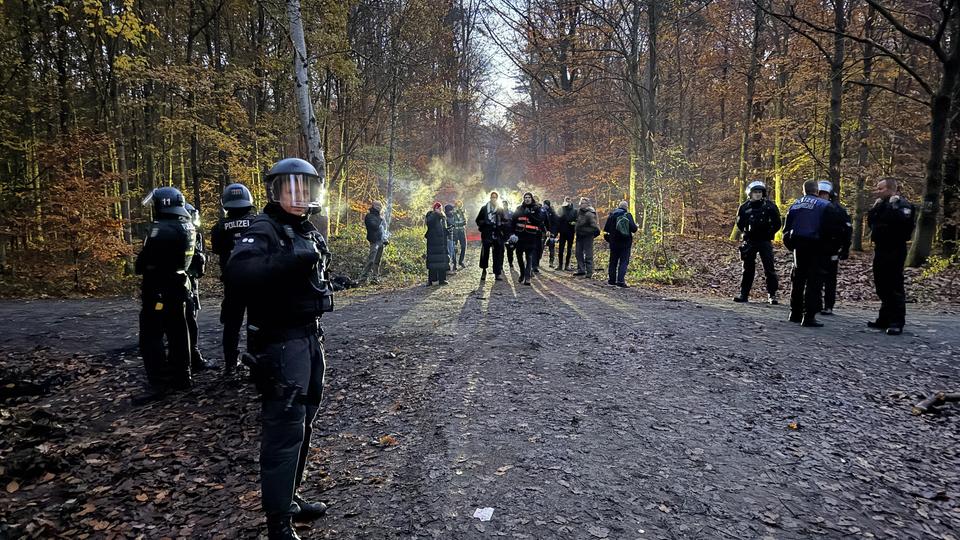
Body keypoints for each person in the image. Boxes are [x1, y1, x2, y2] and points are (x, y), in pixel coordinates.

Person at [226, 157, 333, 539]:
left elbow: (311, 275)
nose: (298, 195)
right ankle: (278, 523)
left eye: (305, 188)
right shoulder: (263, 228)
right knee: (284, 430)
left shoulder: (305, 229)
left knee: (304, 423)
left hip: (308, 339)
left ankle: (290, 497)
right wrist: (289, 261)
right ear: (276, 192)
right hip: (280, 345)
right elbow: (239, 272)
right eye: (290, 188)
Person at [134, 186, 196, 403]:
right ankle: (182, 376)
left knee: (151, 335)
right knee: (178, 330)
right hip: (179, 284)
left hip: (159, 288)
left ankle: (159, 383)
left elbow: (143, 262)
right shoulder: (186, 225)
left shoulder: (161, 229)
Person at [210, 183, 256, 381]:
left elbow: (217, 250)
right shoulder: (258, 223)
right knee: (257, 324)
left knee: (231, 325)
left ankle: (230, 364)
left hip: (232, 284)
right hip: (256, 283)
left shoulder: (219, 227)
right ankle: (256, 364)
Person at [783, 180, 836, 327]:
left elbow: (786, 230)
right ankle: (809, 316)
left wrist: (791, 246)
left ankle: (795, 313)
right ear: (817, 191)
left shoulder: (795, 205)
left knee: (798, 279)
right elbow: (830, 229)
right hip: (816, 246)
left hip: (798, 246)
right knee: (814, 281)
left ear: (804, 190)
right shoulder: (824, 205)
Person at [867, 177, 915, 335]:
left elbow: (904, 224)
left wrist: (893, 207)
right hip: (881, 248)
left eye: (881, 188)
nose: (878, 191)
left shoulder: (902, 205)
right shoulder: (881, 205)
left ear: (890, 189)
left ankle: (897, 321)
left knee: (894, 284)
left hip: (895, 248)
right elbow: (871, 222)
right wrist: (875, 208)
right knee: (881, 284)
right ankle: (884, 318)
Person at [733, 180, 782, 304]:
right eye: (755, 192)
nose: (758, 194)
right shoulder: (744, 207)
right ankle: (744, 294)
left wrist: (769, 232)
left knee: (769, 269)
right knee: (747, 269)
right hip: (750, 241)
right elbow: (739, 223)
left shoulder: (770, 206)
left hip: (765, 241)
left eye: (760, 192)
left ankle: (772, 295)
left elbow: (777, 223)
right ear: (750, 193)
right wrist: (747, 232)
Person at [184, 203, 213, 371]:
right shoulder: (189, 233)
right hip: (186, 282)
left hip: (186, 280)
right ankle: (193, 357)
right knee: (190, 318)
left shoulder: (193, 234)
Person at [817, 181, 852, 315]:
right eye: (820, 194)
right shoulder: (815, 209)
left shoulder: (839, 210)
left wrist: (845, 248)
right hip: (816, 248)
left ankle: (828, 305)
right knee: (815, 277)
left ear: (830, 195)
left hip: (832, 248)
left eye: (824, 194)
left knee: (830, 278)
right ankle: (816, 304)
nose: (822, 197)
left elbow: (847, 230)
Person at [603, 201, 638, 287]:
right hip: (625, 243)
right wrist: (636, 226)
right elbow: (634, 229)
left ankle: (611, 280)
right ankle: (620, 281)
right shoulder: (628, 215)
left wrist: (610, 239)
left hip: (614, 243)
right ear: (626, 207)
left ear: (618, 207)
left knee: (613, 261)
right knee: (624, 261)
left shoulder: (612, 215)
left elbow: (606, 229)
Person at [512, 192, 544, 285]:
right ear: (524, 199)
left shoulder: (537, 209)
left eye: (529, 197)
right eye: (525, 197)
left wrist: (529, 215)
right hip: (520, 236)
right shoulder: (519, 208)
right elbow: (513, 221)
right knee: (519, 255)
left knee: (529, 256)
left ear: (531, 198)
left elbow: (539, 221)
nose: (527, 199)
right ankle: (522, 273)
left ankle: (527, 277)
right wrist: (512, 234)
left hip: (531, 236)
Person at [476, 191, 505, 281]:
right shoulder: (484, 208)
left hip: (497, 233)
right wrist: (484, 223)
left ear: (497, 198)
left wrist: (501, 227)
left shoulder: (500, 209)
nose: (494, 199)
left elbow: (504, 221)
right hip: (487, 233)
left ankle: (497, 273)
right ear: (490, 198)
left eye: (495, 197)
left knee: (497, 254)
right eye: (492, 197)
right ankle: (484, 271)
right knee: (485, 254)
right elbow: (478, 220)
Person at [359, 201, 387, 285]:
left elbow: (384, 229)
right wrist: (381, 219)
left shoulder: (380, 217)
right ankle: (363, 279)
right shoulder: (369, 216)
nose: (379, 207)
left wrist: (385, 238)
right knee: (371, 260)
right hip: (374, 241)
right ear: (373, 206)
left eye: (380, 206)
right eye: (377, 206)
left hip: (380, 240)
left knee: (377, 261)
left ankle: (375, 278)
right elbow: (375, 226)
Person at [573, 197, 600, 278]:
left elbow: (595, 228)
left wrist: (587, 232)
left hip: (587, 237)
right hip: (579, 236)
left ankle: (589, 272)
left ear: (587, 204)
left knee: (588, 255)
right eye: (580, 203)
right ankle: (581, 270)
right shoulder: (578, 212)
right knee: (578, 253)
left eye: (582, 203)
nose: (580, 204)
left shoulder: (590, 214)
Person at [425, 202, 450, 285]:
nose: (439, 209)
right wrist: (436, 214)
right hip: (433, 243)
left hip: (441, 243)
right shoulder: (431, 215)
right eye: (437, 208)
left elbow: (443, 228)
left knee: (442, 262)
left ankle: (442, 280)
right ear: (434, 208)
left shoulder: (443, 217)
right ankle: (431, 280)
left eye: (440, 208)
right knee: (432, 262)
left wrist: (447, 231)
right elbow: (429, 223)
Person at [557, 197, 577, 271]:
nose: (568, 201)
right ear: (564, 201)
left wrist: (574, 223)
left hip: (571, 232)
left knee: (569, 249)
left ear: (571, 201)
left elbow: (577, 220)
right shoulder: (561, 209)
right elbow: (557, 220)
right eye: (566, 200)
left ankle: (567, 265)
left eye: (569, 200)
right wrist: (557, 232)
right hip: (562, 232)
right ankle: (560, 265)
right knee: (561, 249)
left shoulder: (575, 211)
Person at [540, 199, 558, 269]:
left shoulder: (552, 212)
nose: (545, 206)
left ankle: (551, 262)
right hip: (543, 232)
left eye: (546, 204)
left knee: (551, 247)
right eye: (544, 204)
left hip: (551, 233)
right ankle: (538, 260)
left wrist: (553, 233)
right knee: (541, 246)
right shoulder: (541, 211)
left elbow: (555, 223)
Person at [451, 199, 468, 268]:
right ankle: (454, 264)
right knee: (454, 248)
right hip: (455, 232)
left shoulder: (463, 212)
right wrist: (460, 224)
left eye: (460, 205)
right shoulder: (452, 213)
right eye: (457, 205)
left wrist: (463, 222)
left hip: (462, 231)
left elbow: (465, 222)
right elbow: (452, 223)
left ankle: (461, 261)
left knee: (463, 246)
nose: (459, 206)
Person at [444, 203, 458, 273]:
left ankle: (454, 267)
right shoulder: (445, 218)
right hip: (448, 238)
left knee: (453, 253)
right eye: (451, 210)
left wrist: (456, 239)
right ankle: (449, 269)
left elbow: (455, 228)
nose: (452, 211)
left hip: (453, 237)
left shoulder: (453, 216)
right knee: (449, 254)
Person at [502, 199, 515, 269]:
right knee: (501, 250)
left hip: (509, 234)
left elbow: (514, 223)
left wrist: (513, 233)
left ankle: (510, 263)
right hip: (501, 234)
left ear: (507, 205)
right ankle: (500, 265)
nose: (504, 206)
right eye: (503, 205)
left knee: (510, 250)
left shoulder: (511, 213)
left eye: (505, 205)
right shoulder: (499, 213)